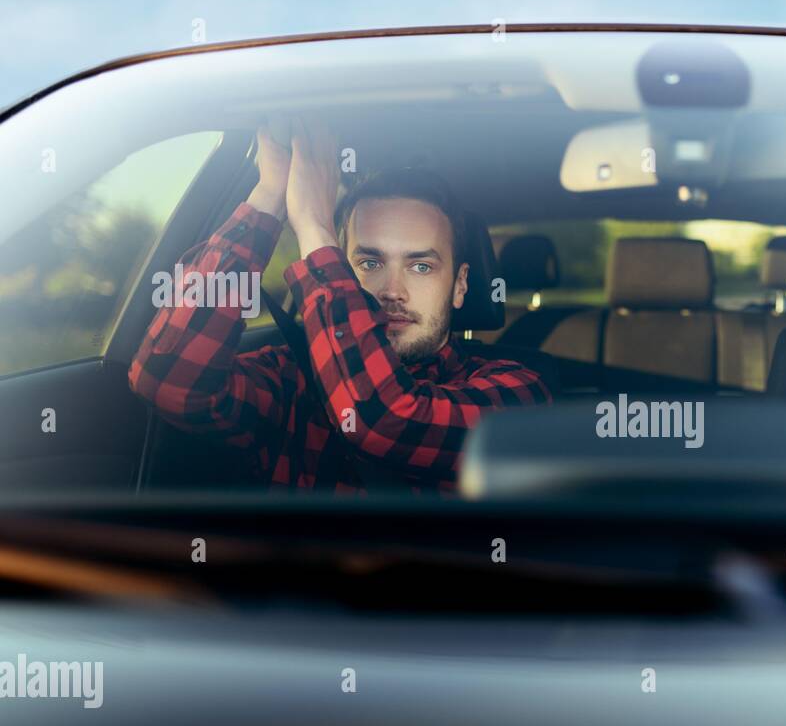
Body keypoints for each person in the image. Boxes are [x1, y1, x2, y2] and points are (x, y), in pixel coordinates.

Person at [129, 120, 549, 493]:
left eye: (421, 266)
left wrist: (312, 222)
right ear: (337, 268)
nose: (392, 291)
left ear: (459, 287)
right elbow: (168, 383)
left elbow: (384, 420)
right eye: (369, 262)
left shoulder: (515, 392)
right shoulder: (292, 378)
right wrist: (270, 194)